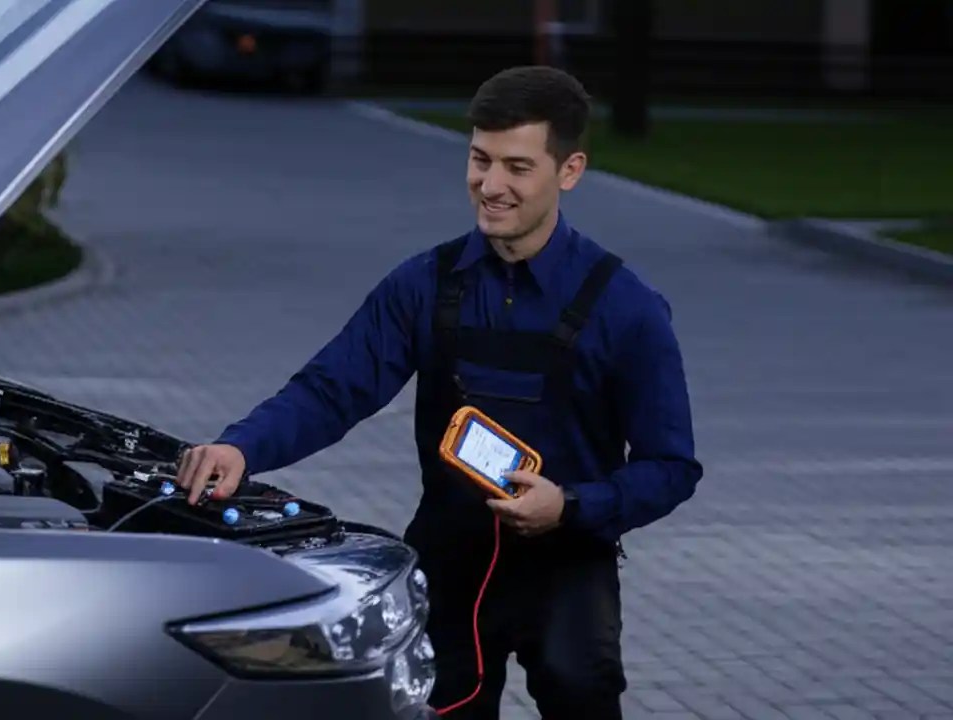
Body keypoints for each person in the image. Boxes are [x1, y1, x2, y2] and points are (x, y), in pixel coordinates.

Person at [175, 65, 703, 719]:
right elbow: (333, 387)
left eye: (517, 166)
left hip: (569, 569)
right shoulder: (424, 284)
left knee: (581, 695)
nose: (491, 185)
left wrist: (569, 506)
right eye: (480, 160)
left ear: (569, 171)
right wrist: (242, 449)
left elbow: (672, 467)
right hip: (448, 559)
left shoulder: (627, 308)